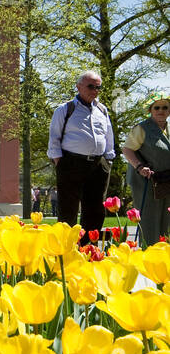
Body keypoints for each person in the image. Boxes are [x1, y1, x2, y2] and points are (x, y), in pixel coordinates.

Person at [47, 70, 115, 237]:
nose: (95, 90)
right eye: (91, 86)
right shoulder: (65, 109)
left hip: (99, 165)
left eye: (98, 87)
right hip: (71, 163)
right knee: (68, 209)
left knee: (95, 209)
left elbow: (108, 136)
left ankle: (89, 250)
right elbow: (54, 138)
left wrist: (108, 160)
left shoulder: (102, 110)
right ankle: (66, 249)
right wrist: (60, 162)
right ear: (78, 87)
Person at [122, 91, 170, 248]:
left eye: (165, 107)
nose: (161, 111)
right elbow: (127, 149)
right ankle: (149, 253)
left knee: (166, 218)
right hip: (146, 182)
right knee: (149, 219)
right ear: (150, 110)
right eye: (156, 108)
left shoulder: (168, 129)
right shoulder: (142, 128)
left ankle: (164, 254)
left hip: (166, 181)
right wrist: (139, 166)